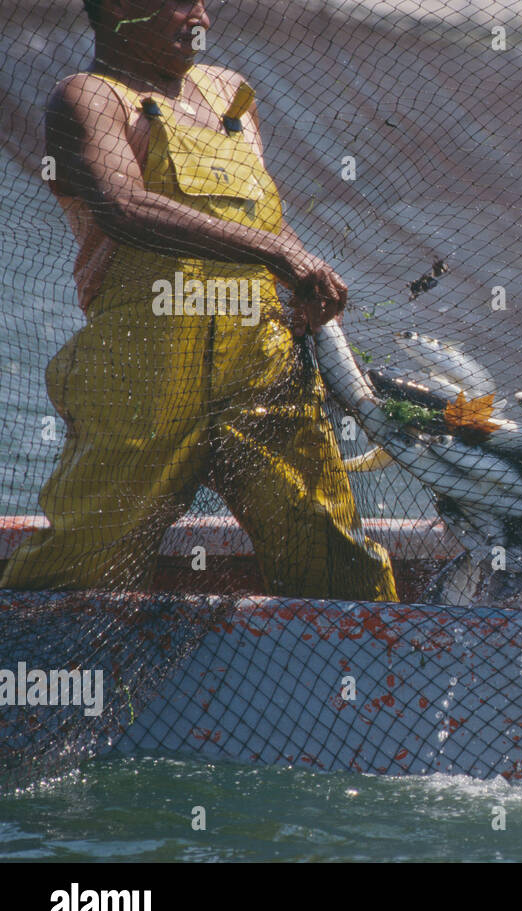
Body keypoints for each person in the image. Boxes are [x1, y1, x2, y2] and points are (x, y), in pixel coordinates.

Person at [0, 0, 397, 600]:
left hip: (260, 357)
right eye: (179, 3)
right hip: (145, 370)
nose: (202, 19)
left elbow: (263, 216)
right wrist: (275, 253)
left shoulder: (229, 93)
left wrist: (300, 274)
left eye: (205, 4)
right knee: (89, 556)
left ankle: (355, 680)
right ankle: (47, 676)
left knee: (329, 543)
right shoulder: (87, 98)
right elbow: (124, 207)